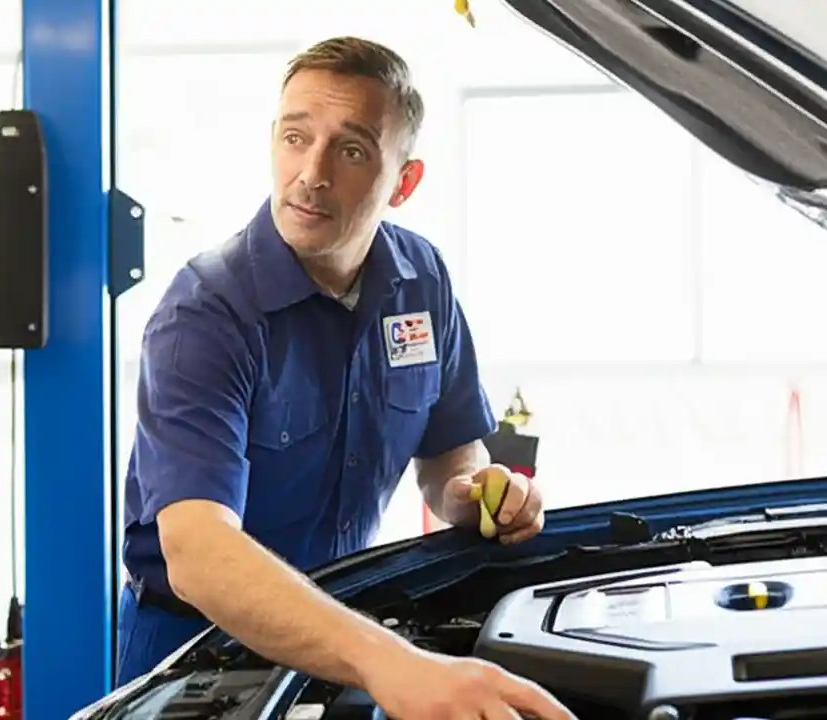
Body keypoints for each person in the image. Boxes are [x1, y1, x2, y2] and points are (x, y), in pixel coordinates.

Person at [118, 36, 572, 719]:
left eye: (352, 150)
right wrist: (390, 663)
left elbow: (450, 454)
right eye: (296, 138)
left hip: (344, 626)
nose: (312, 173)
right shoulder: (206, 313)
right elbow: (198, 554)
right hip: (197, 647)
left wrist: (474, 493)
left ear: (403, 183)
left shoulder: (421, 280)